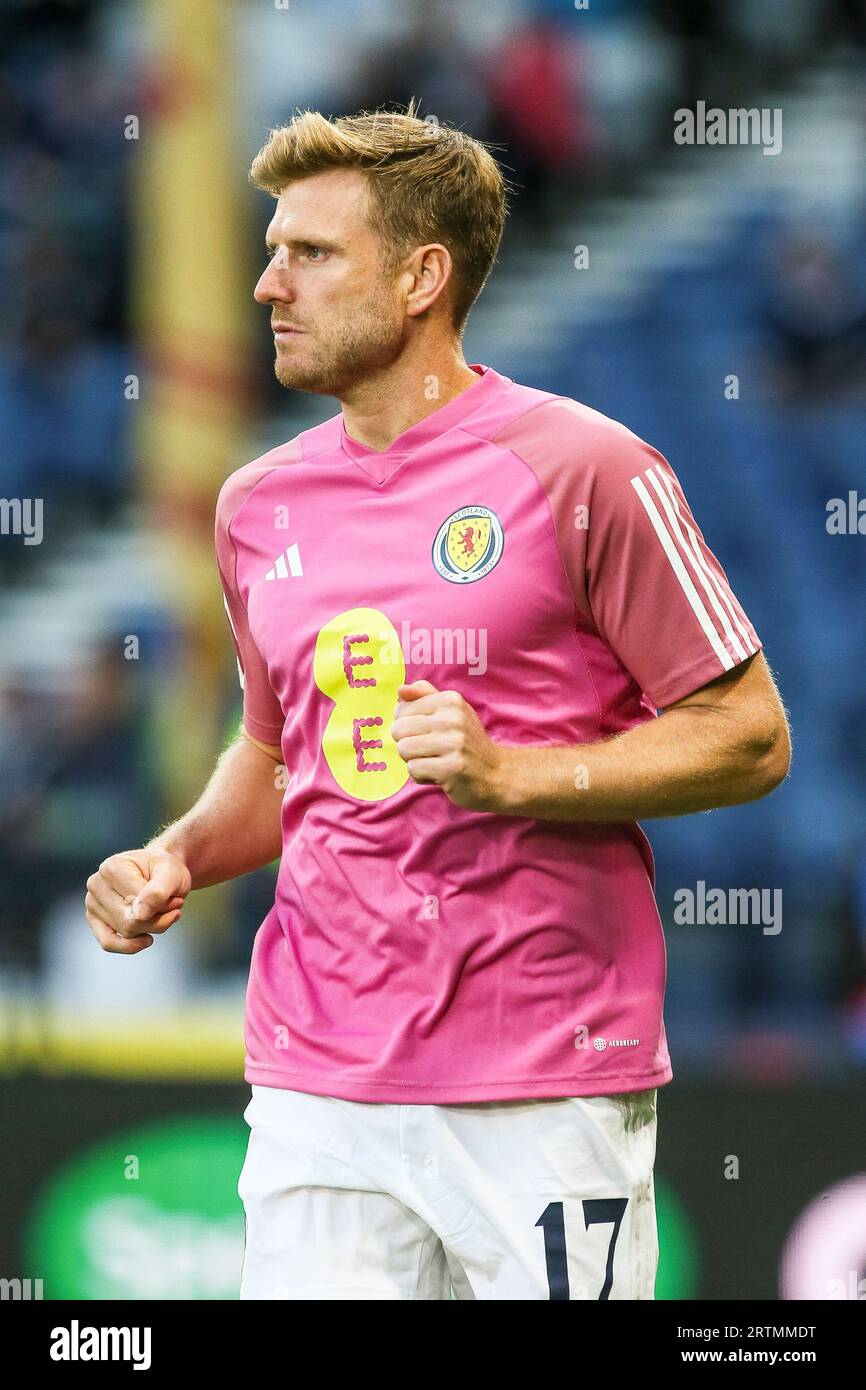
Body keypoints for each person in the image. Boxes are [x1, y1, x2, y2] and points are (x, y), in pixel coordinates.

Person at [84, 104, 791, 1300]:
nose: (267, 285)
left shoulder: (586, 468)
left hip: (541, 1073)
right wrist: (177, 858)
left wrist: (516, 773)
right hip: (319, 1079)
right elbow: (278, 753)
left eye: (309, 253)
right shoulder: (255, 503)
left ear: (421, 276)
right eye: (272, 250)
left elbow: (749, 735)